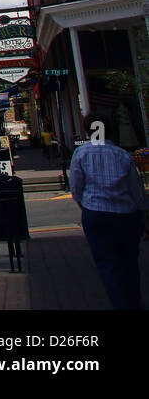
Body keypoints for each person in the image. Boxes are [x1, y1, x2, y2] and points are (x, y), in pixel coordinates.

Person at [69, 118, 149, 310]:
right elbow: (137, 191)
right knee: (129, 262)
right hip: (126, 215)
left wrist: (83, 205)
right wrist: (145, 218)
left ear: (89, 131)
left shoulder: (81, 153)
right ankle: (133, 301)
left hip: (95, 213)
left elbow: (76, 186)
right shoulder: (122, 155)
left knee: (108, 264)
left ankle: (122, 305)